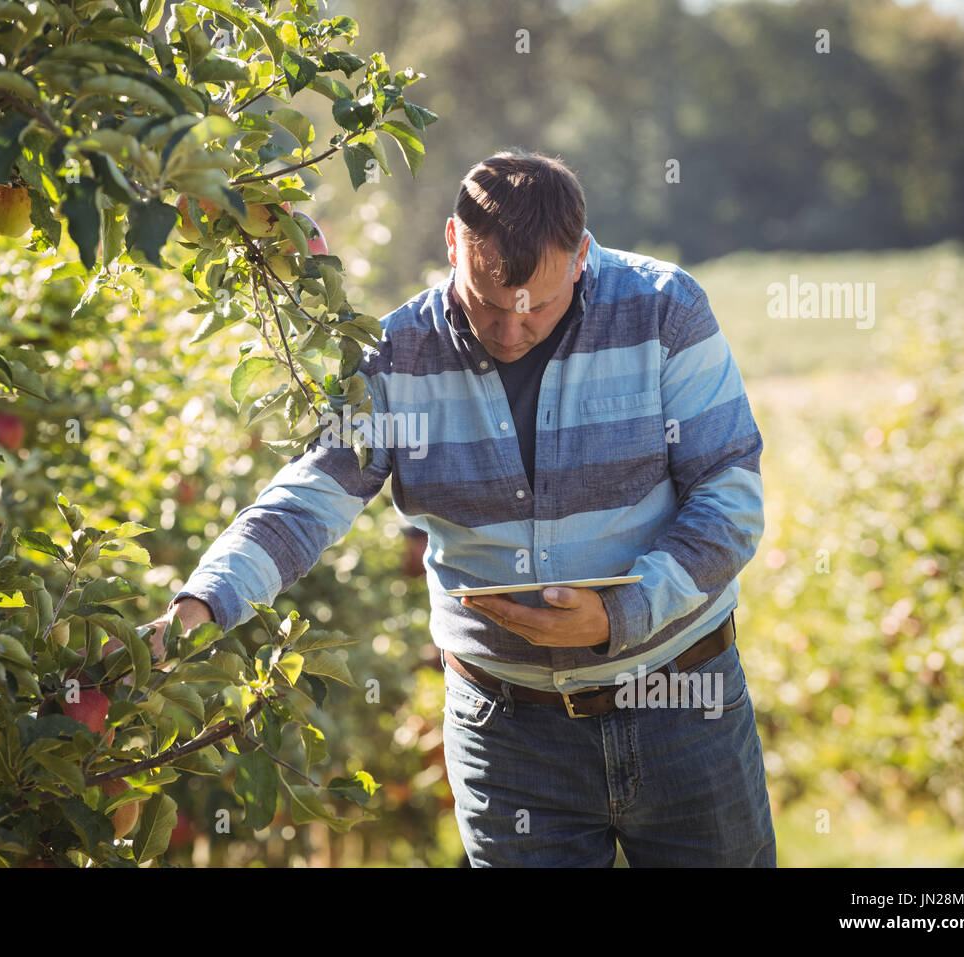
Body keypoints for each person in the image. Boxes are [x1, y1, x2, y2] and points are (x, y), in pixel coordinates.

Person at [147, 150, 776, 867]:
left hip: (681, 706)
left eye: (535, 306)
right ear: (452, 244)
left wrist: (617, 615)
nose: (509, 333)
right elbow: (307, 500)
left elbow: (729, 497)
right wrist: (201, 604)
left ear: (580, 256)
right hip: (511, 738)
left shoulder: (664, 309)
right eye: (484, 302)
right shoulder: (397, 358)